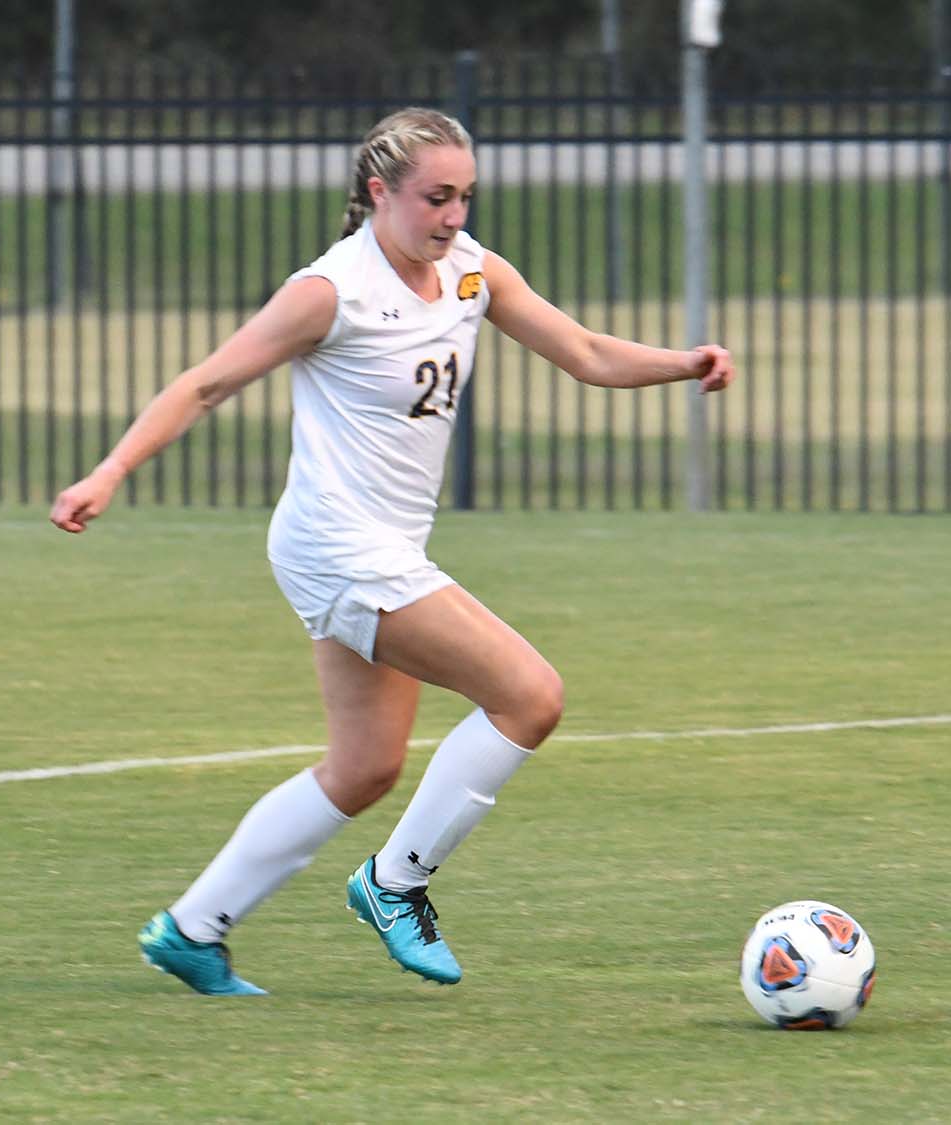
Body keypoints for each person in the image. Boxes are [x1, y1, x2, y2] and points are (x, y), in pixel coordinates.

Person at [50, 108, 734, 996]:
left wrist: (685, 362)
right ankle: (395, 883)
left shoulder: (473, 271)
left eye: (465, 197)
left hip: (379, 548)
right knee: (530, 695)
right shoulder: (330, 291)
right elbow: (206, 383)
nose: (453, 216)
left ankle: (190, 929)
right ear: (380, 192)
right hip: (338, 546)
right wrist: (110, 471)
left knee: (365, 766)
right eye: (435, 198)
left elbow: (586, 352)